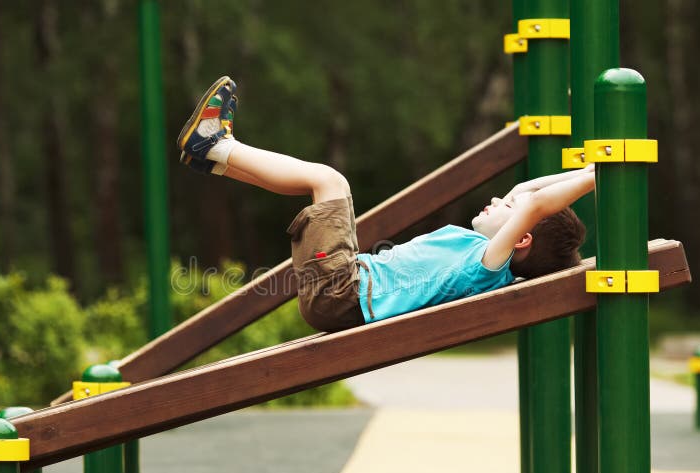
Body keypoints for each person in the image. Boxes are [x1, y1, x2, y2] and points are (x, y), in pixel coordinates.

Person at [177, 76, 592, 332]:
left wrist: (599, 176)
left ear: (520, 239)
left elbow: (533, 205)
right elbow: (529, 196)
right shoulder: (487, 253)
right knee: (324, 184)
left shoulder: (486, 266)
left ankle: (215, 145)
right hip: (343, 288)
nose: (502, 199)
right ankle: (213, 156)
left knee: (328, 180)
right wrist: (588, 167)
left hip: (342, 293)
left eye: (506, 207)